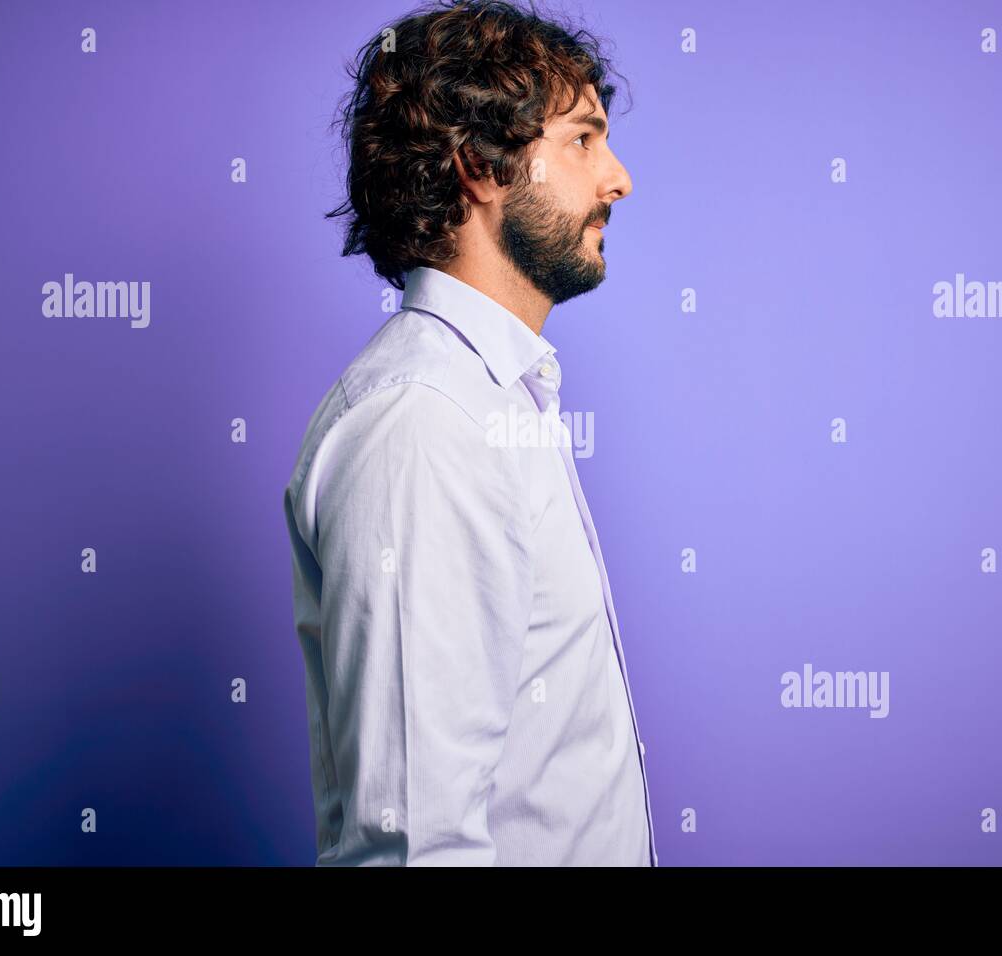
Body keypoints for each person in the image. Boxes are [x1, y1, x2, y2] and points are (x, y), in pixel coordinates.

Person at [283, 0, 657, 866]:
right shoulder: (422, 428)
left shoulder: (496, 395)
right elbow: (416, 843)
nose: (619, 178)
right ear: (481, 168)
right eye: (581, 139)